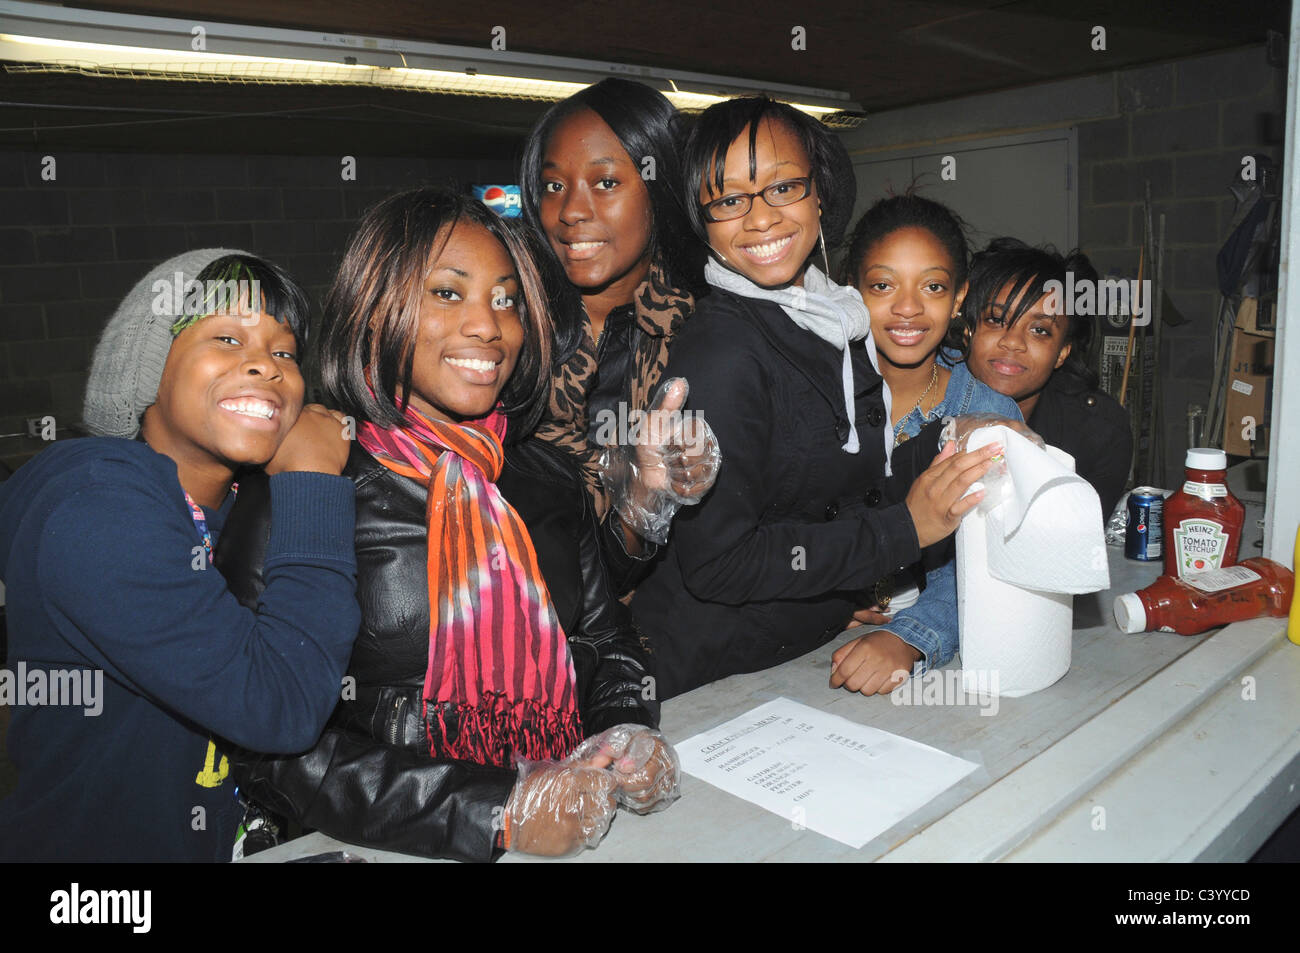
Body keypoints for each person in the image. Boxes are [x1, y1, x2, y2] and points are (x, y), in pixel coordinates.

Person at [219, 188, 679, 862]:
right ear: (374, 313)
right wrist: (495, 810)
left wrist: (625, 732)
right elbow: (266, 739)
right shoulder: (306, 484)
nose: (489, 327)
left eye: (506, 299)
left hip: (570, 821)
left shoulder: (544, 477)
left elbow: (606, 641)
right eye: (446, 293)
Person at [628, 98, 1004, 699]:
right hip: (702, 679)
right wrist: (903, 530)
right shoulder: (724, 350)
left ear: (819, 194)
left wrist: (970, 430)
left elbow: (830, 491)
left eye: (783, 187)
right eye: (729, 200)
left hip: (796, 654)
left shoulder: (834, 318)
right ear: (704, 221)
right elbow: (719, 562)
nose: (760, 219)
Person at [0, 249, 360, 862]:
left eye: (284, 352)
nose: (266, 368)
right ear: (149, 369)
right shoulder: (97, 508)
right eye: (226, 337)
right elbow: (282, 705)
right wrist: (313, 480)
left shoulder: (236, 503)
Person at [830, 194, 1024, 695]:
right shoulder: (815, 398)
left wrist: (911, 639)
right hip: (808, 644)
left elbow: (991, 567)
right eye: (882, 285)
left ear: (959, 297)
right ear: (853, 292)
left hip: (939, 665)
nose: (908, 307)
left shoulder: (988, 417)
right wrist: (823, 597)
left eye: (933, 286)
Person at [521, 77, 718, 563]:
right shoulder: (508, 329)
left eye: (606, 183)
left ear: (660, 189)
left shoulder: (707, 330)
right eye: (554, 186)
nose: (571, 211)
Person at [961, 238, 1133, 517]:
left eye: (1039, 330)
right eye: (996, 319)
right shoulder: (925, 405)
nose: (1013, 342)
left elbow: (1078, 545)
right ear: (969, 328)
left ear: (1063, 352)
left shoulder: (1098, 432)